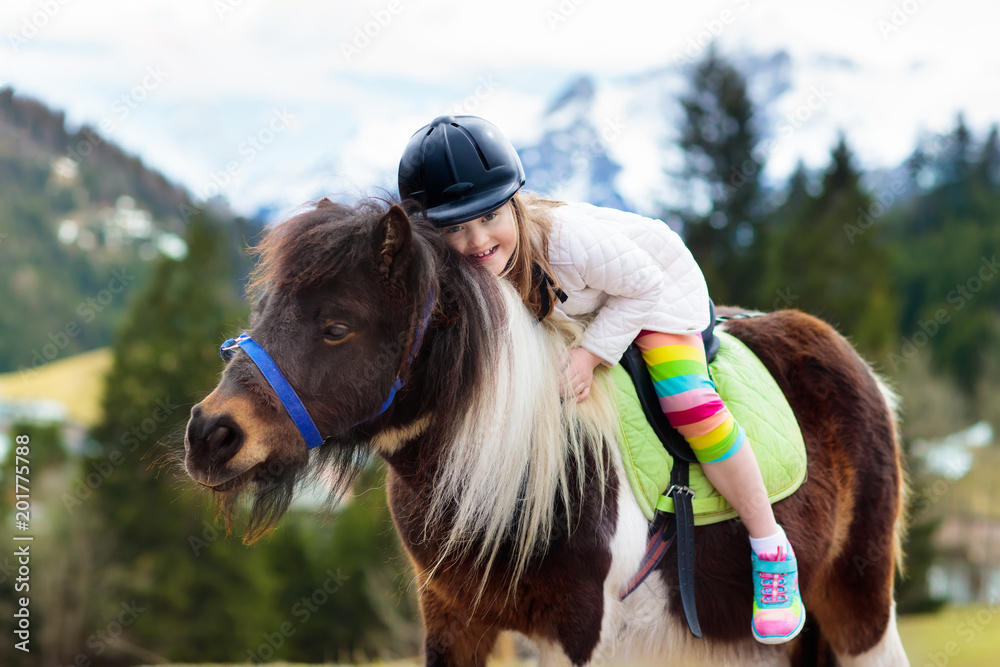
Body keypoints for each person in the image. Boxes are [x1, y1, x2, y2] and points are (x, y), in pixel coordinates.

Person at [397, 115, 805, 644]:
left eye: (490, 215)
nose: (476, 240)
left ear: (515, 203)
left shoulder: (569, 242)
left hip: (653, 292)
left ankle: (770, 548)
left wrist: (590, 356)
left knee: (688, 404)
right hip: (585, 306)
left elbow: (641, 286)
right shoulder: (470, 268)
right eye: (453, 227)